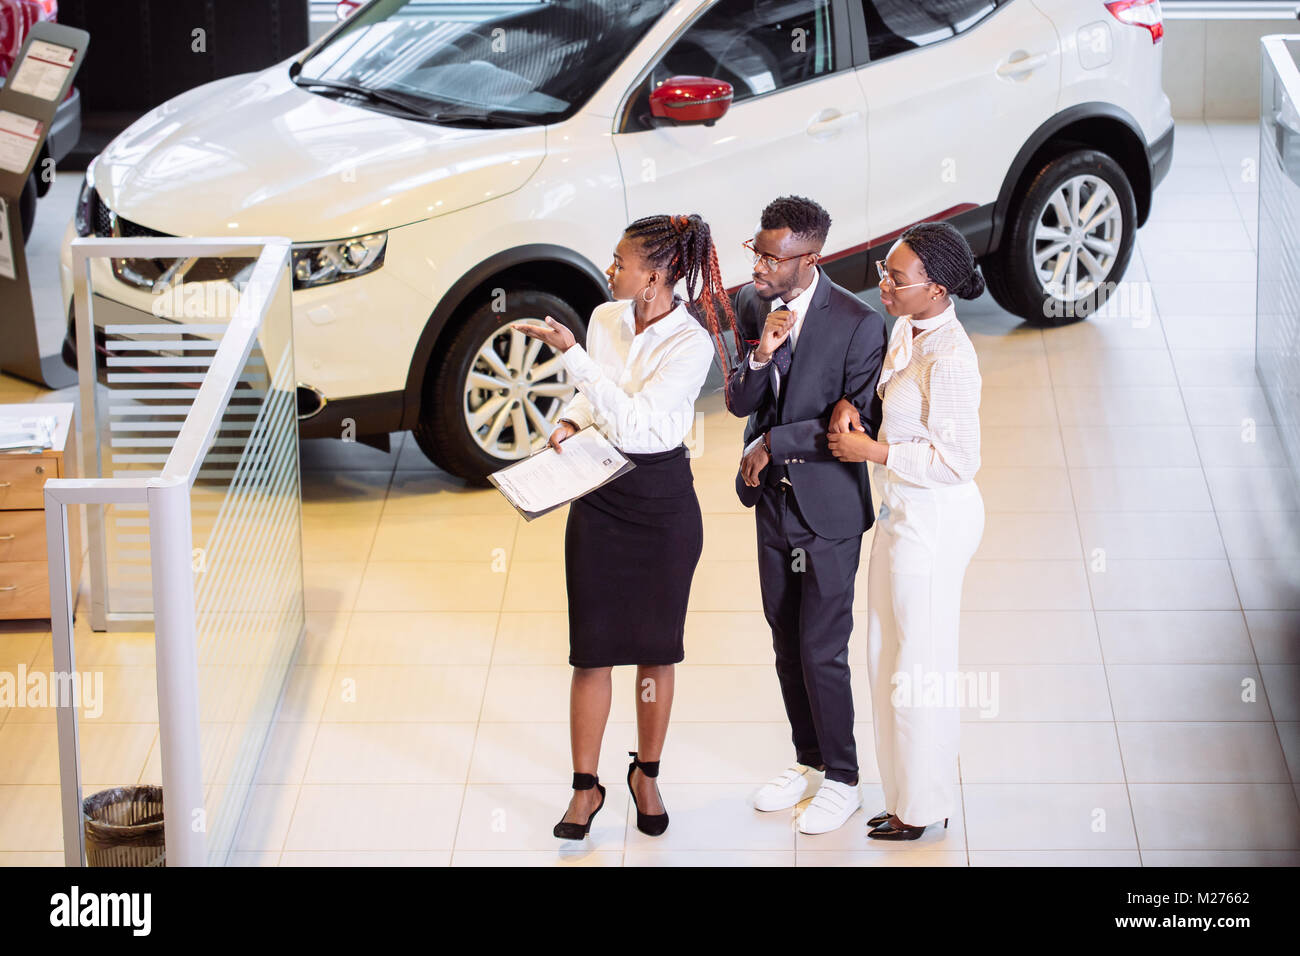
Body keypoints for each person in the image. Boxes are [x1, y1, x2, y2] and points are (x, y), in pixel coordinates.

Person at [511, 213, 742, 841]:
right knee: (591, 652)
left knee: (654, 650)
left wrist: (574, 361)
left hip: (660, 501)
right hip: (599, 494)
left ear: (655, 276)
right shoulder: (606, 317)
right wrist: (568, 419)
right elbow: (597, 397)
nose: (609, 268)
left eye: (620, 262)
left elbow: (641, 427)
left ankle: (647, 773)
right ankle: (585, 789)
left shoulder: (691, 344)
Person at [726, 195, 887, 835]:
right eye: (757, 250)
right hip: (772, 505)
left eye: (772, 256)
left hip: (827, 511)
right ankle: (809, 760)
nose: (759, 264)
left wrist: (772, 445)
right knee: (785, 640)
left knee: (823, 648)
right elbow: (741, 400)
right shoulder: (750, 305)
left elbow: (851, 423)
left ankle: (844, 778)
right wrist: (762, 355)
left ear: (809, 258)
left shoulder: (859, 323)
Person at [826, 220, 985, 840]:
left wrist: (871, 452)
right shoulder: (906, 328)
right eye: (887, 271)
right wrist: (855, 407)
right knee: (887, 654)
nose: (883, 284)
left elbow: (957, 462)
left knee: (917, 664)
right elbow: (889, 396)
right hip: (903, 513)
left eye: (897, 277)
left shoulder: (951, 359)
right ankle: (911, 793)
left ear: (937, 289)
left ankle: (922, 807)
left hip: (936, 517)